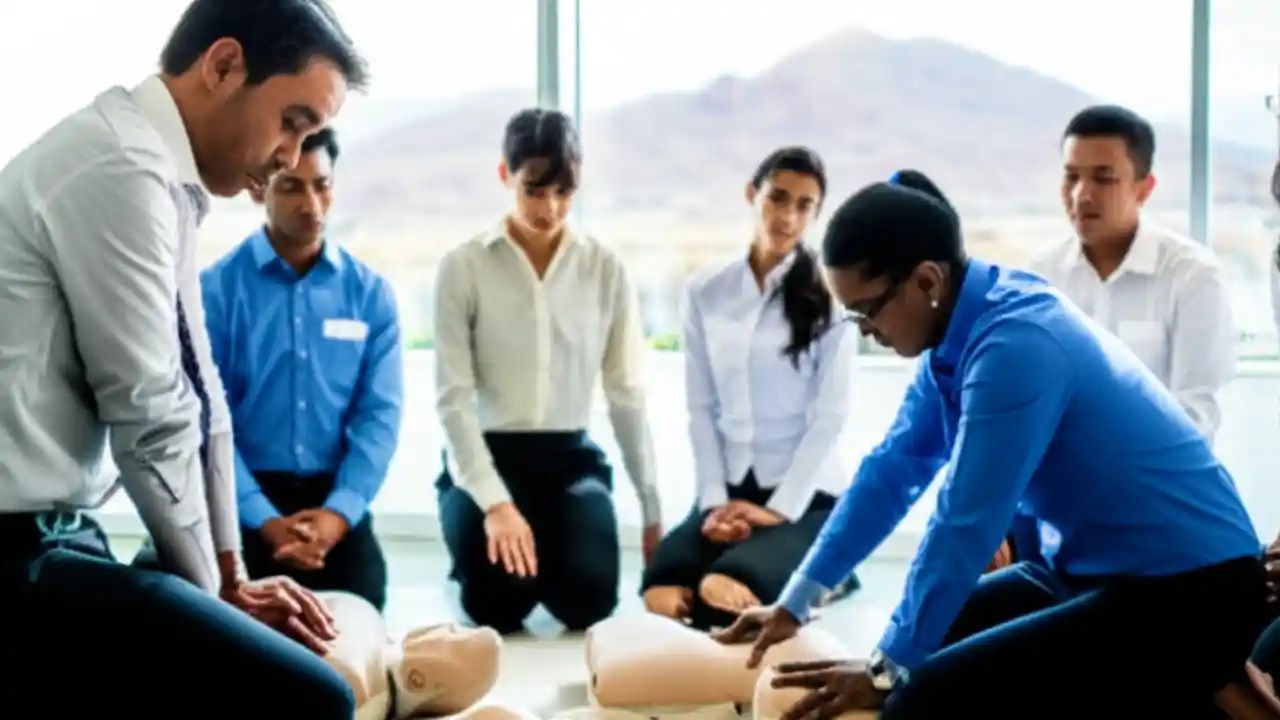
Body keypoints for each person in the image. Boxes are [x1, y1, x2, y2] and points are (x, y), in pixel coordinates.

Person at [713, 169, 1267, 717]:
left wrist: (888, 669)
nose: (864, 330)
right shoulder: (958, 335)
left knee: (917, 694)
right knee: (916, 649)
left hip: (1191, 595)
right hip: (1092, 577)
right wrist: (795, 600)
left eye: (868, 309)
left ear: (926, 282)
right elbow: (891, 472)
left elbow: (966, 522)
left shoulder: (1015, 345)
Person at [0, 1, 367, 716]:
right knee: (311, 700)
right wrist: (219, 606)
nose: (293, 156)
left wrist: (229, 574)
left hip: (61, 535)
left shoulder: (159, 172)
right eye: (293, 121)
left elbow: (202, 400)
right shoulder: (118, 168)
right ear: (224, 66)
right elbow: (150, 410)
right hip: (15, 554)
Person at [433, 108, 662, 634]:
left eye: (564, 192)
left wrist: (651, 505)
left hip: (567, 462)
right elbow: (453, 401)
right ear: (504, 176)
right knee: (496, 607)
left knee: (589, 601)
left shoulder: (605, 268)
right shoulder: (464, 266)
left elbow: (625, 393)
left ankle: (548, 552)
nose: (550, 208)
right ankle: (470, 550)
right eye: (534, 190)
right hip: (485, 461)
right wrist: (495, 505)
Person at [640, 147, 857, 631]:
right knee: (660, 588)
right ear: (751, 194)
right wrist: (715, 504)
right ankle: (814, 574)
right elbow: (700, 407)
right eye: (778, 198)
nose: (789, 216)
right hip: (733, 488)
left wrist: (778, 512)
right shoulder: (705, 290)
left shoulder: (831, 302)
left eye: (805, 205)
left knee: (724, 592)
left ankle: (830, 566)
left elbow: (830, 420)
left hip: (807, 495)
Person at [201, 127, 403, 613]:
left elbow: (379, 417)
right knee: (233, 632)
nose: (312, 203)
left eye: (322, 184)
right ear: (258, 189)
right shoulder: (215, 293)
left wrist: (338, 514)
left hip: (331, 499)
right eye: (292, 186)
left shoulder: (370, 294)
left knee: (358, 618)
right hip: (240, 497)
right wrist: (263, 519)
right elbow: (207, 420)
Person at [1029, 104, 1234, 442]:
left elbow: (1197, 414)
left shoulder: (1193, 276)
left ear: (1144, 188)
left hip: (1157, 484)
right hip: (1062, 485)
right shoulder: (1042, 274)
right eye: (1071, 177)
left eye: (1103, 178)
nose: (1082, 195)